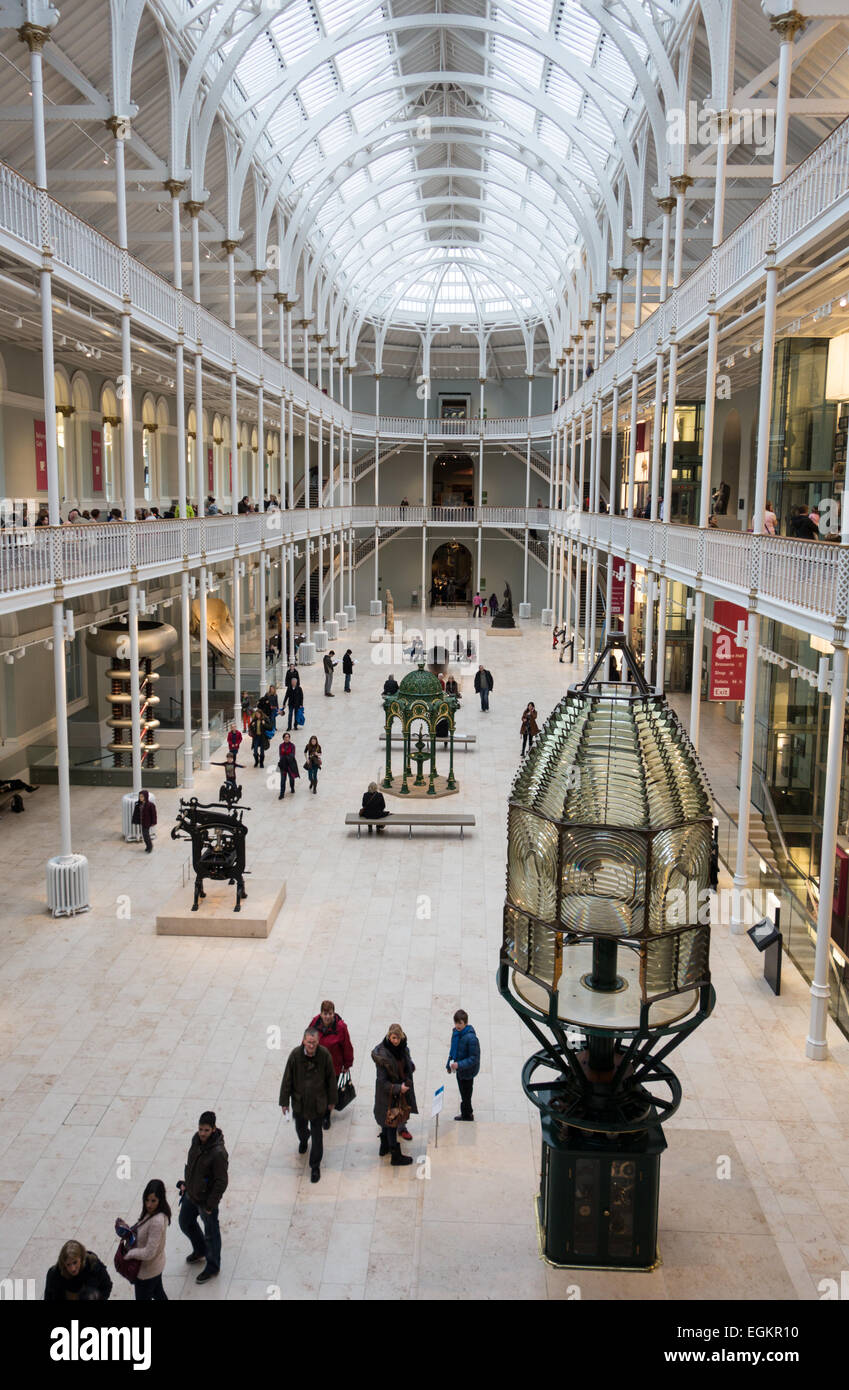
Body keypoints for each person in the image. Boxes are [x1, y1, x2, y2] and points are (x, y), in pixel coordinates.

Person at [279, 1028, 337, 1183]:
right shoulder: (295, 1055)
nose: (311, 1046)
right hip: (300, 1103)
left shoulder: (324, 1055)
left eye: (314, 1043)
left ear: (318, 1042)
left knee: (317, 1136)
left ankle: (315, 1166)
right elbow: (287, 1080)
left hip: (318, 1104)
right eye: (309, 1042)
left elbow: (331, 1078)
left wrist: (332, 1101)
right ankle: (304, 1139)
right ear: (304, 1041)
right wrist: (284, 1102)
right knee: (300, 1128)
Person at [178, 1110, 228, 1284]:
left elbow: (221, 1182)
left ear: (213, 1129)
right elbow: (192, 1165)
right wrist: (186, 1183)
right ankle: (200, 1250)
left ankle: (213, 1266)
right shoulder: (195, 1140)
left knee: (211, 1233)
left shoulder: (218, 1153)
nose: (202, 1133)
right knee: (185, 1222)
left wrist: (210, 1205)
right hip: (191, 1193)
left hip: (206, 1201)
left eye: (206, 1130)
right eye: (200, 1129)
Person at [117, 1179, 170, 1301]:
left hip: (147, 1271)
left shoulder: (156, 1221)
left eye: (153, 1201)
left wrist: (130, 1254)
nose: (149, 1205)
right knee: (158, 1293)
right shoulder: (158, 1213)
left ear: (160, 1200)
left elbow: (149, 1252)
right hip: (156, 1266)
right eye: (147, 1200)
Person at [372, 1025, 417, 1165]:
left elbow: (405, 1063)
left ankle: (384, 1147)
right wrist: (399, 1088)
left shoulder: (404, 1049)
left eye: (398, 1037)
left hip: (399, 1091)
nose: (396, 1040)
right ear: (389, 1036)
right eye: (393, 1037)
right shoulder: (382, 1056)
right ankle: (395, 1156)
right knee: (391, 1124)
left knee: (388, 1122)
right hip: (390, 1094)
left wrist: (410, 1066)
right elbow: (382, 1082)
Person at [307, 1001, 354, 1129]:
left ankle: (326, 1115)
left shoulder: (341, 1028)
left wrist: (347, 1063)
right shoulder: (314, 1023)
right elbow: (307, 1040)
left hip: (334, 1067)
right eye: (325, 1013)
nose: (327, 1016)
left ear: (334, 1013)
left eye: (330, 1013)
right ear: (321, 1013)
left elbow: (347, 1046)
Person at [44, 1240, 112, 1301]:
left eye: (75, 1262)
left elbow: (107, 1286)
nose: (72, 1269)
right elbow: (48, 1296)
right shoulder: (55, 1274)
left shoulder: (93, 1266)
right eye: (68, 1264)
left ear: (81, 1258)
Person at [447, 1009, 481, 1121]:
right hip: (460, 1070)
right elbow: (453, 1050)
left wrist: (459, 1065)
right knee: (464, 1094)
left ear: (465, 1023)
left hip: (467, 1072)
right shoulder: (456, 1033)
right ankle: (467, 1113)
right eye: (456, 1022)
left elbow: (474, 1058)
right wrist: (449, 1063)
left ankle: (467, 1116)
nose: (457, 1025)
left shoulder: (471, 1039)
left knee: (466, 1095)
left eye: (460, 1023)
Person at [131, 788, 157, 853]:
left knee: (146, 835)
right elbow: (137, 813)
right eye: (140, 797)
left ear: (145, 796)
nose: (140, 798)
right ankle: (148, 846)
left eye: (142, 796)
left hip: (147, 822)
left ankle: (150, 846)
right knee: (144, 835)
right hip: (142, 822)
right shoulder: (139, 804)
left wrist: (154, 822)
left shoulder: (150, 805)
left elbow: (154, 814)